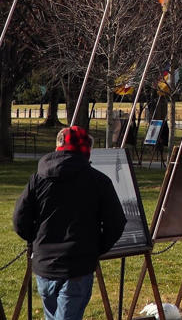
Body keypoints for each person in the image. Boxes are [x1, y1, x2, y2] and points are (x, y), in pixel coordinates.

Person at [13, 126, 126, 320]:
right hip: (77, 266)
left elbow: (19, 219)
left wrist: (37, 240)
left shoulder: (38, 180)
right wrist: (96, 247)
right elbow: (116, 223)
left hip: (45, 265)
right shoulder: (98, 181)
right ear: (86, 151)